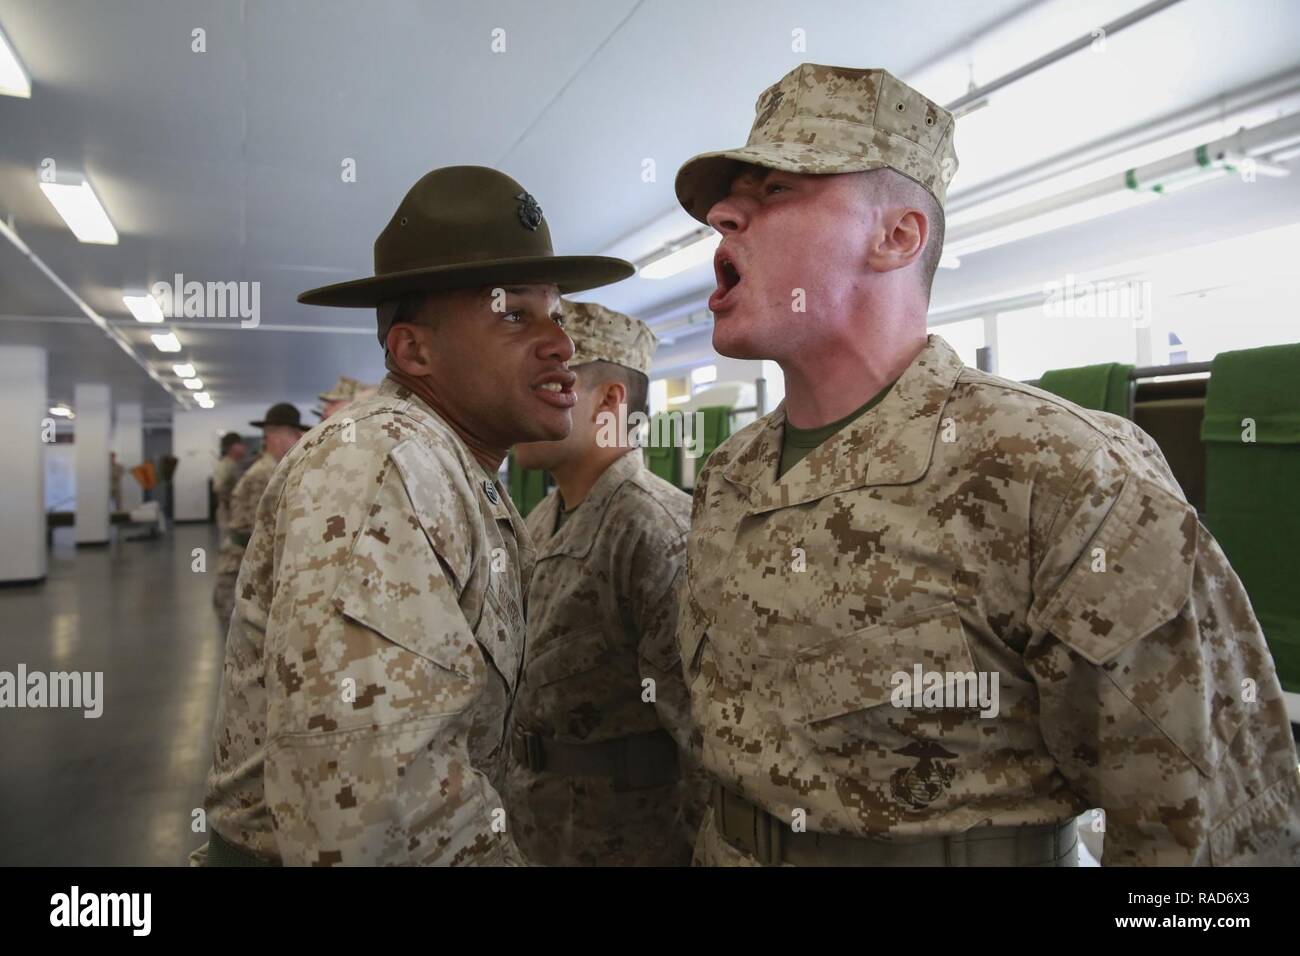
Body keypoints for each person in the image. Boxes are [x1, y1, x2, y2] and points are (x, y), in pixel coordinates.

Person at [673, 63, 1300, 866]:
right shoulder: (729, 479)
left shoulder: (1062, 471)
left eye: (776, 191)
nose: (725, 215)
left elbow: (1212, 840)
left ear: (897, 236)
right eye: (731, 202)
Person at [195, 166, 632, 866]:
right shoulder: (382, 468)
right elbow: (378, 820)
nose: (561, 344)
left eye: (556, 313)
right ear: (413, 350)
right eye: (515, 314)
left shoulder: (451, 466)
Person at [505, 300, 704, 865]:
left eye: (548, 384)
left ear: (611, 402)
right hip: (538, 827)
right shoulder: (540, 521)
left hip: (629, 841)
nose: (518, 405)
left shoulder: (657, 532)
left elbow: (702, 735)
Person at [211, 406, 309, 626]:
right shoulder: (264, 475)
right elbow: (267, 531)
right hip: (241, 575)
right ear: (277, 436)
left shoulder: (272, 469)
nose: (298, 440)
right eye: (295, 435)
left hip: (249, 570)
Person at [212, 432, 247, 539]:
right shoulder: (225, 465)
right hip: (228, 513)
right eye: (241, 444)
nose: (244, 447)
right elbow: (218, 487)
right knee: (229, 544)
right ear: (233, 447)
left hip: (237, 512)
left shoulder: (236, 463)